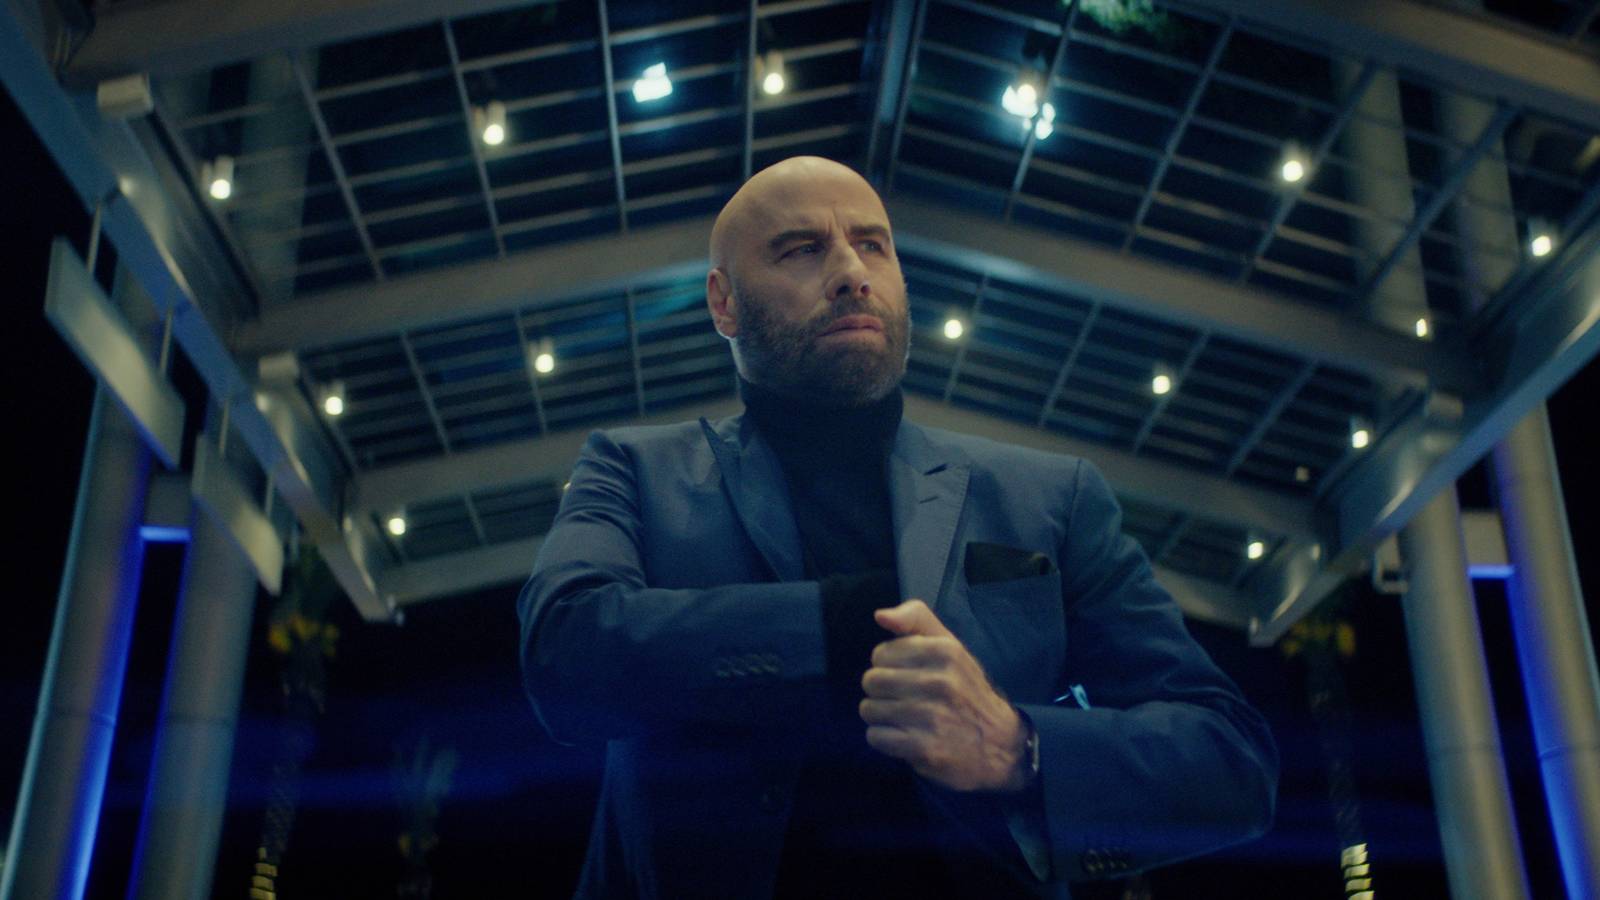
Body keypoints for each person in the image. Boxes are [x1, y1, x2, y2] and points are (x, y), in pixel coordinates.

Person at [518, 156, 1277, 899]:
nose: (851, 272)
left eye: (872, 245)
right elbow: (562, 654)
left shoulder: (1052, 496)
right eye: (802, 249)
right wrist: (838, 629)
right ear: (724, 303)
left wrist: (1019, 747)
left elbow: (1232, 760)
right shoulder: (634, 469)